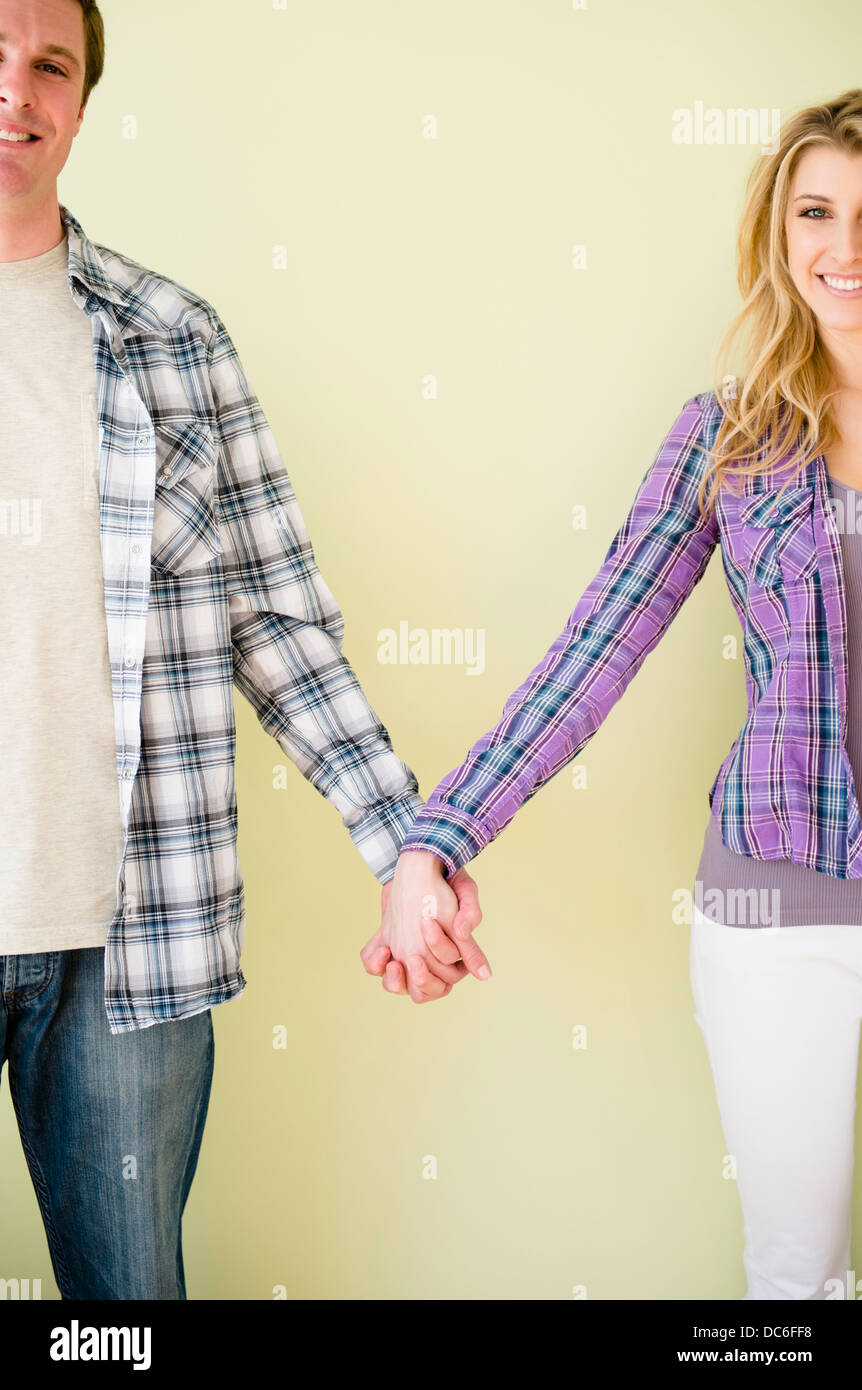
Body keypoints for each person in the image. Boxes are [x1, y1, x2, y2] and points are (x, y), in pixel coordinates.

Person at [0, 0, 488, 1300]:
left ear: (83, 105)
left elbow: (274, 619)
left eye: (50, 64)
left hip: (130, 942)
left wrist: (407, 847)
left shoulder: (173, 338)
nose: (15, 91)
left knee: (129, 1313)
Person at [365, 88, 862, 1301]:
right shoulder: (726, 439)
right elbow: (592, 653)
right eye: (816, 210)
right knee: (796, 1277)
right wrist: (435, 840)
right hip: (780, 897)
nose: (843, 247)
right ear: (776, 230)